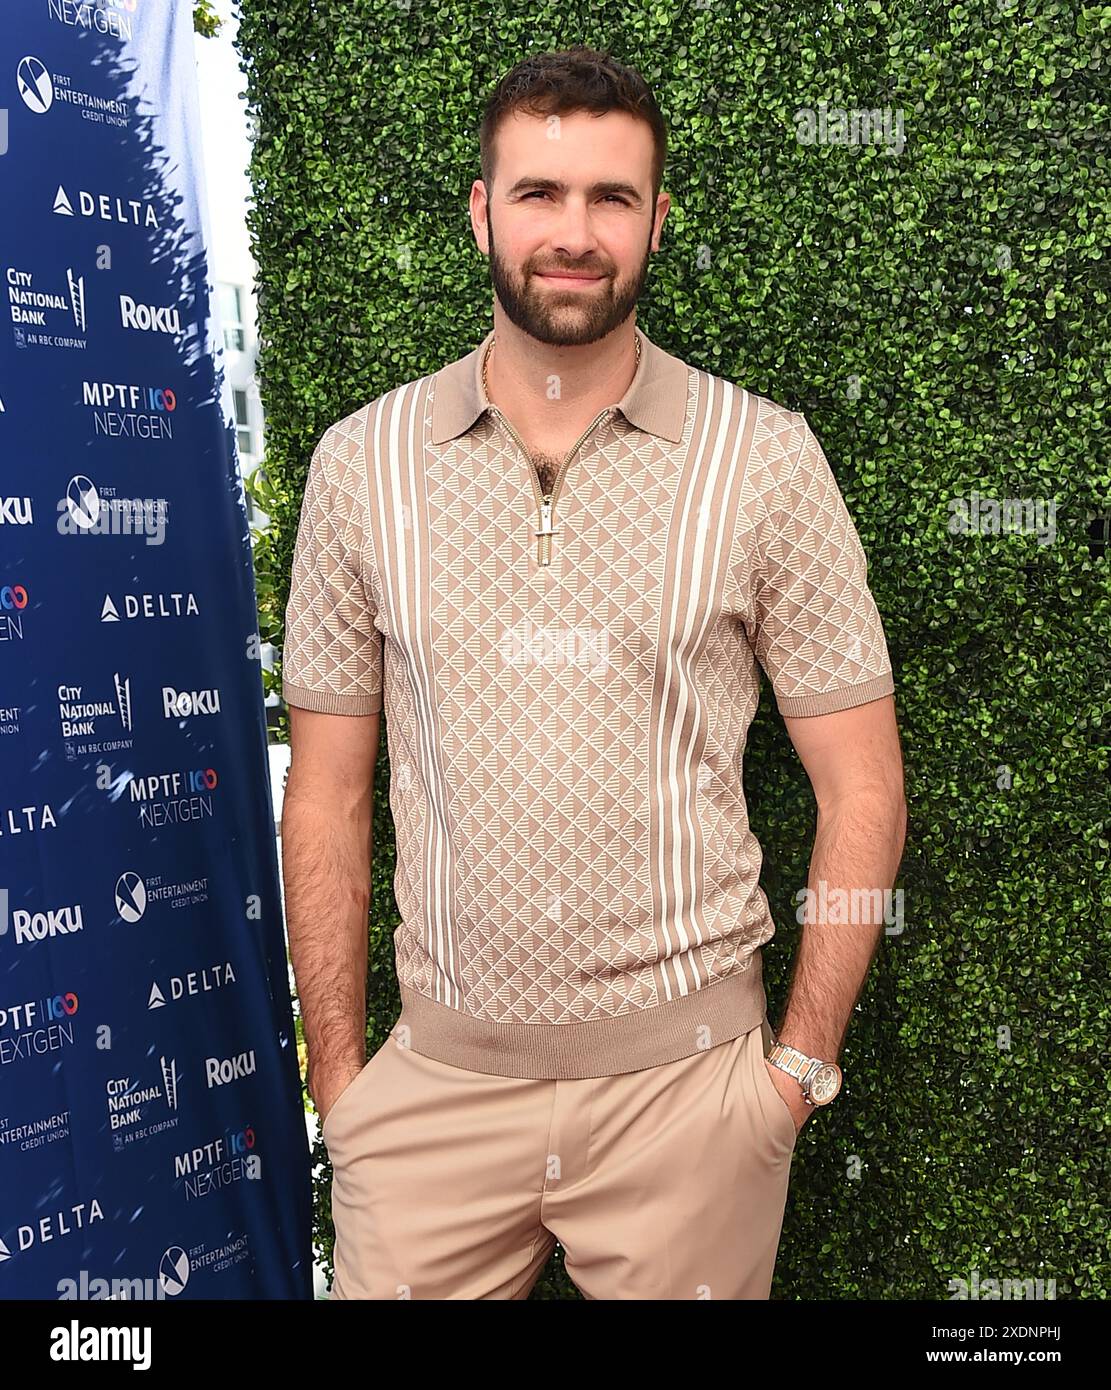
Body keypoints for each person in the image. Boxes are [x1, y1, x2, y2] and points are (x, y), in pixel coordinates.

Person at [280, 44, 906, 1300]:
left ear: (657, 221)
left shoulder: (765, 459)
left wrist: (794, 1073)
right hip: (431, 1104)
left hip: (693, 1100)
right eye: (539, 193)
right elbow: (329, 793)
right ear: (480, 211)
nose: (575, 233)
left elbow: (864, 788)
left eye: (611, 198)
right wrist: (344, 1085)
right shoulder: (360, 466)